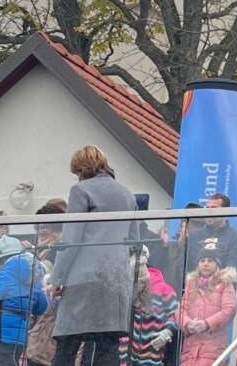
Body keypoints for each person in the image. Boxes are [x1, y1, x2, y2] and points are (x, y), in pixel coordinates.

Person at [49, 145, 139, 366]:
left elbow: (72, 239)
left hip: (84, 279)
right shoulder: (127, 193)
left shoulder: (81, 190)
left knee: (68, 342)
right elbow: (134, 240)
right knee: (108, 346)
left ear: (81, 168)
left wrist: (57, 278)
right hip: (116, 281)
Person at [177, 251, 237, 366]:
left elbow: (230, 310)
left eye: (210, 261)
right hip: (190, 350)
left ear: (217, 265)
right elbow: (180, 311)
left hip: (213, 349)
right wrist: (187, 323)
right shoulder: (190, 286)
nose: (205, 264)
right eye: (202, 261)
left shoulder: (225, 284)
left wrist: (206, 324)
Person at [119, 262, 178, 366]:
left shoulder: (164, 289)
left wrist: (167, 332)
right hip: (125, 353)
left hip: (153, 352)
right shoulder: (125, 287)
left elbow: (176, 314)